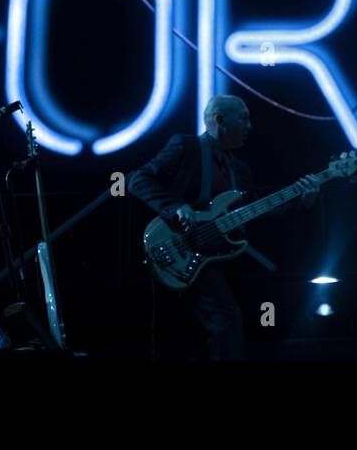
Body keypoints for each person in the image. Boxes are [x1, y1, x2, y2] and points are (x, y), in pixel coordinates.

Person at [129, 95, 318, 360]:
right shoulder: (187, 146)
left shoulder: (240, 170)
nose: (250, 126)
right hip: (185, 251)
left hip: (222, 259)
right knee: (228, 321)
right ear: (219, 120)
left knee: (244, 322)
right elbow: (138, 179)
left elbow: (255, 213)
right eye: (243, 118)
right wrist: (176, 207)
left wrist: (303, 201)